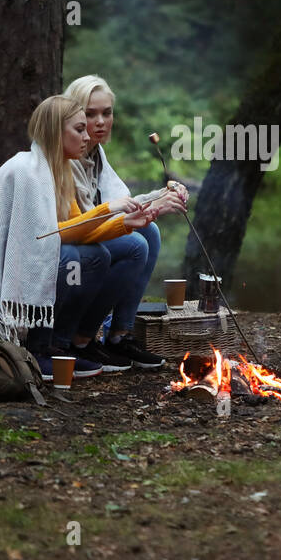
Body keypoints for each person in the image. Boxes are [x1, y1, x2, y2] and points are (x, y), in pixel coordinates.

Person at [0, 95, 157, 382]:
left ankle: (63, 345)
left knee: (107, 252)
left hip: (34, 253)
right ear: (54, 131)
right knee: (79, 257)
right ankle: (37, 348)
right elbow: (46, 239)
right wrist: (109, 209)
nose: (87, 137)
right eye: (79, 129)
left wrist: (125, 223)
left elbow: (76, 230)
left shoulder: (59, 169)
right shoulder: (28, 170)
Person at [63, 75, 189, 370]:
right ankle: (81, 341)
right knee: (134, 244)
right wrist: (153, 205)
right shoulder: (68, 156)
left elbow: (122, 202)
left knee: (151, 233)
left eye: (106, 113)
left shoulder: (96, 153)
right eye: (90, 114)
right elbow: (86, 220)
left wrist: (163, 194)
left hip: (86, 233)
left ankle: (120, 335)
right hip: (68, 241)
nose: (100, 122)